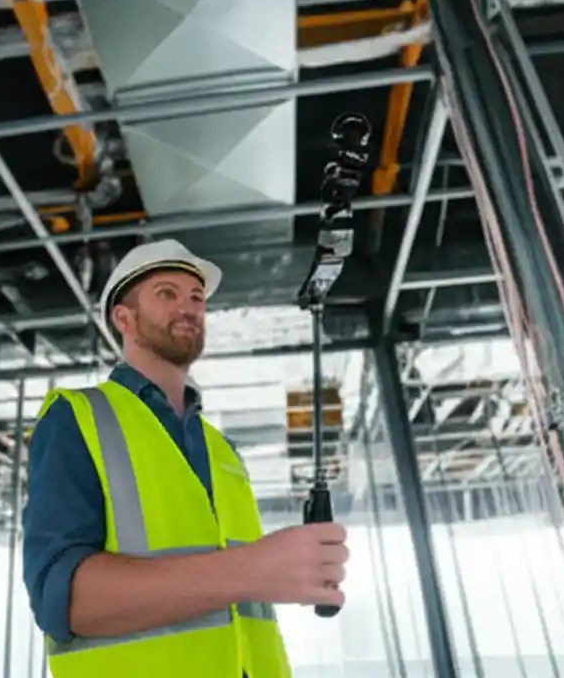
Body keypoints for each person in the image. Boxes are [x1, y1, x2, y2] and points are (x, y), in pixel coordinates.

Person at [21, 238, 350, 678]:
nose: (189, 307)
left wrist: (289, 567)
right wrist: (254, 569)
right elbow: (62, 601)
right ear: (124, 318)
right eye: (167, 293)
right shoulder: (78, 417)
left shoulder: (221, 448)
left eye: (197, 297)